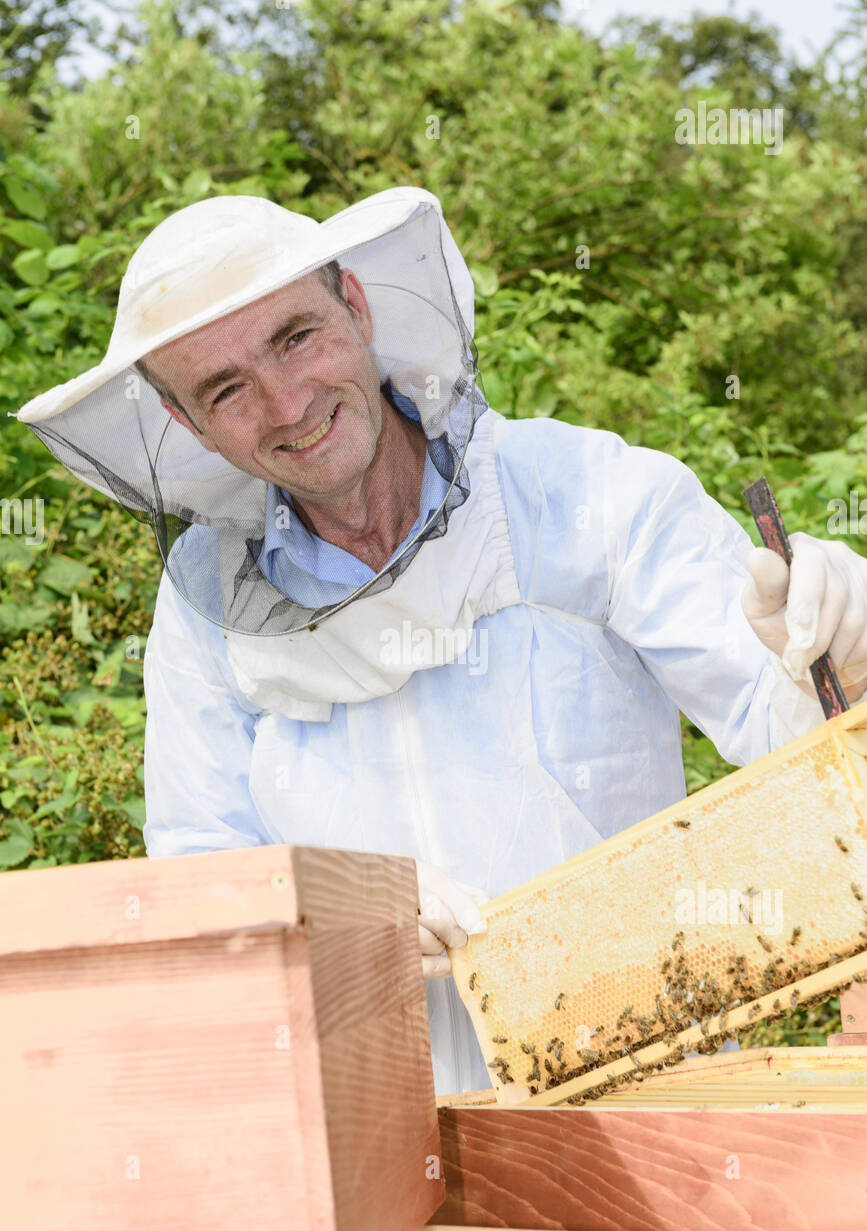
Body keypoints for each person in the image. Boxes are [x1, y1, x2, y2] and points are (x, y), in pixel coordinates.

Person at [17, 187, 867, 1096]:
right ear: (187, 423)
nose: (286, 401)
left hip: (649, 1088)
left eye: (295, 336)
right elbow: (197, 897)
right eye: (225, 389)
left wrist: (839, 658)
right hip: (374, 1126)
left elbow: (803, 749)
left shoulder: (593, 494)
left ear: (356, 303)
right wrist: (329, 913)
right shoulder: (199, 619)